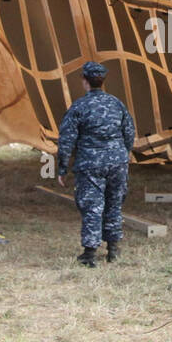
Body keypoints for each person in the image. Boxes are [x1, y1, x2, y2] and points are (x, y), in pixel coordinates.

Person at [57, 61, 135, 267]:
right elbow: (129, 132)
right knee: (114, 203)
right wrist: (123, 154)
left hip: (90, 162)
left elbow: (66, 140)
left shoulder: (79, 107)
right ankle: (113, 249)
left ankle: (90, 253)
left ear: (85, 81)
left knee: (92, 205)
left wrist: (62, 167)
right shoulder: (117, 104)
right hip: (117, 161)